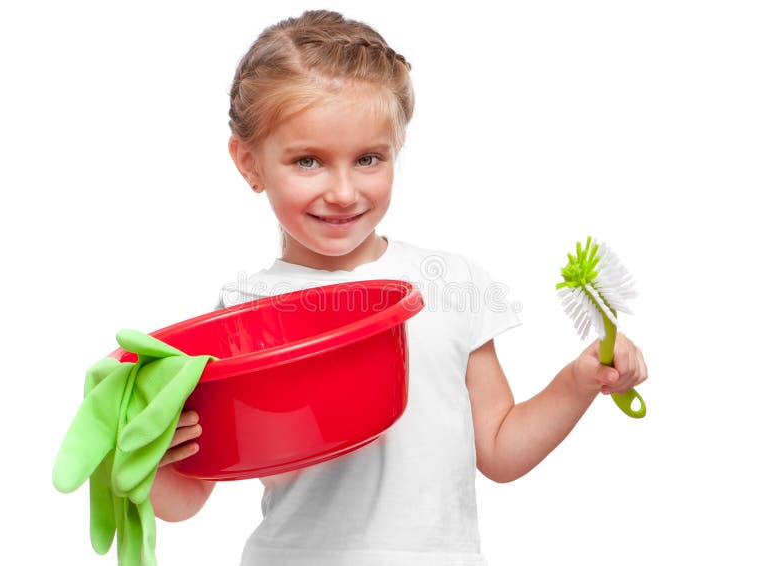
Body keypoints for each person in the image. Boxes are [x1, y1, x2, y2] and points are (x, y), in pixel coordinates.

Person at [149, 9, 649, 566]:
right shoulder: (244, 313)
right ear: (250, 162)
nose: (343, 192)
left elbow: (501, 451)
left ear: (397, 148)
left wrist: (578, 381)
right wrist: (146, 451)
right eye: (308, 161)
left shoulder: (452, 285)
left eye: (368, 159)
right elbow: (185, 500)